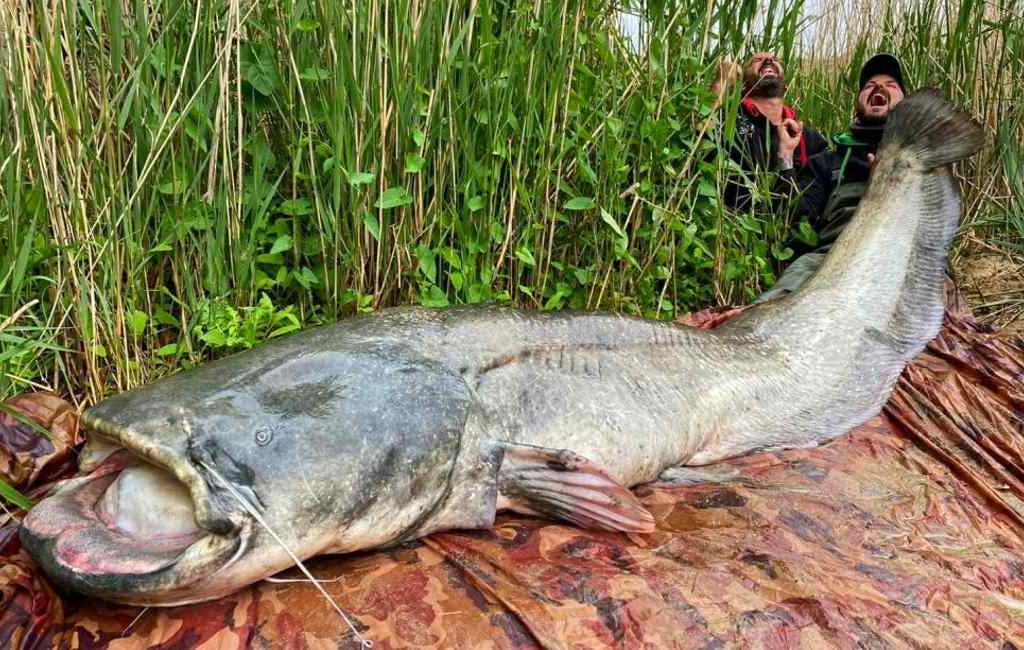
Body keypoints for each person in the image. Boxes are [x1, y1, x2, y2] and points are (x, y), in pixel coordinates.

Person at [757, 53, 908, 302]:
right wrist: (785, 157)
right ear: (859, 102)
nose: (879, 87)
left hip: (901, 258)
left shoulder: (921, 156)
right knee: (768, 310)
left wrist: (884, 194)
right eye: (869, 86)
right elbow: (794, 219)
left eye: (890, 85)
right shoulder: (827, 161)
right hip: (829, 260)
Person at [710, 52, 829, 210]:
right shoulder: (728, 121)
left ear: (785, 86)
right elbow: (698, 146)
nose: (768, 60)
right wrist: (722, 83)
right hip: (734, 226)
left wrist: (786, 158)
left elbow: (810, 208)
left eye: (775, 60)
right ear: (744, 83)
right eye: (757, 60)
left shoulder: (810, 139)